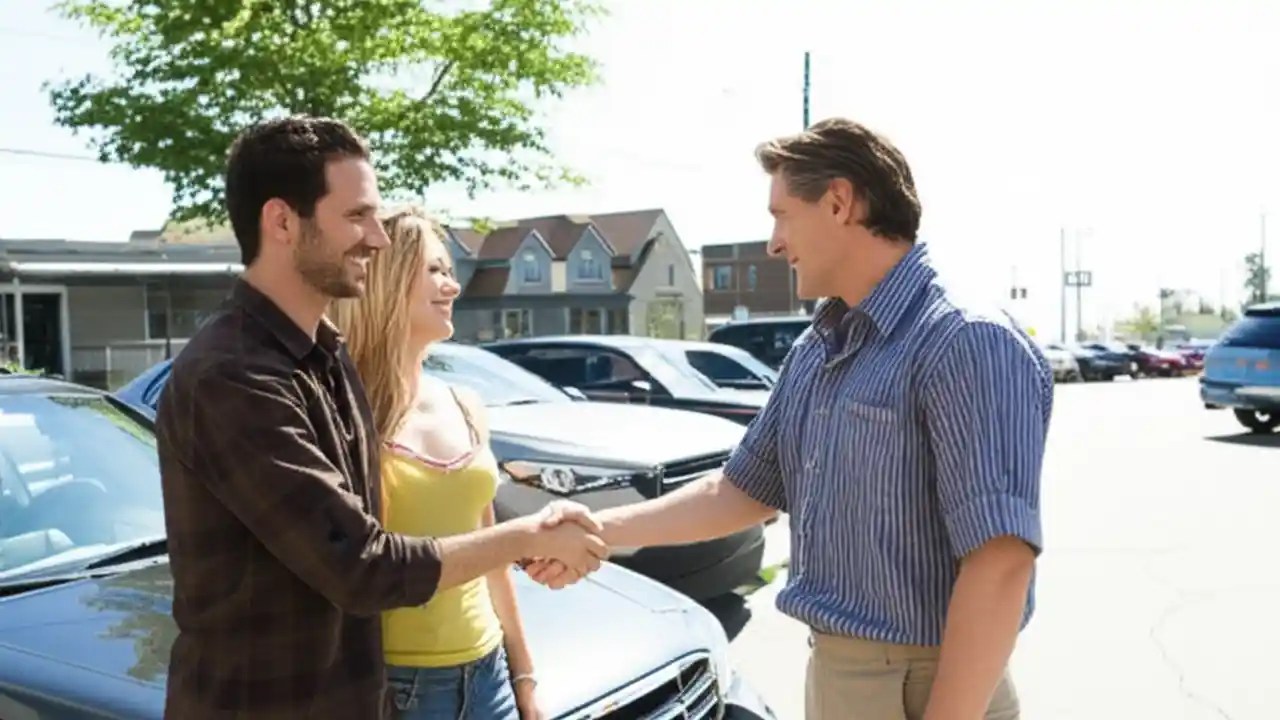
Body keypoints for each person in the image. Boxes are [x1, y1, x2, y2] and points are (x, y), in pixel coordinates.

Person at [531, 117, 1053, 720]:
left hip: (927, 685)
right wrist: (599, 529)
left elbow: (1000, 559)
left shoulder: (964, 340)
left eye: (781, 215)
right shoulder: (820, 344)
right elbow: (742, 490)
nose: (774, 243)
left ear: (838, 202)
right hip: (840, 675)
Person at [154, 115, 606, 720]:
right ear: (283, 221)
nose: (379, 238)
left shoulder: (324, 353)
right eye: (356, 216)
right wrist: (526, 537)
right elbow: (360, 566)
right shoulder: (232, 377)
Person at [326, 206, 541, 719]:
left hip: (489, 679)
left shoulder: (466, 404)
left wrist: (524, 677)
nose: (454, 287)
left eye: (451, 271)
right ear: (387, 278)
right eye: (436, 270)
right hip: (396, 688)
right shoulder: (344, 413)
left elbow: (489, 552)